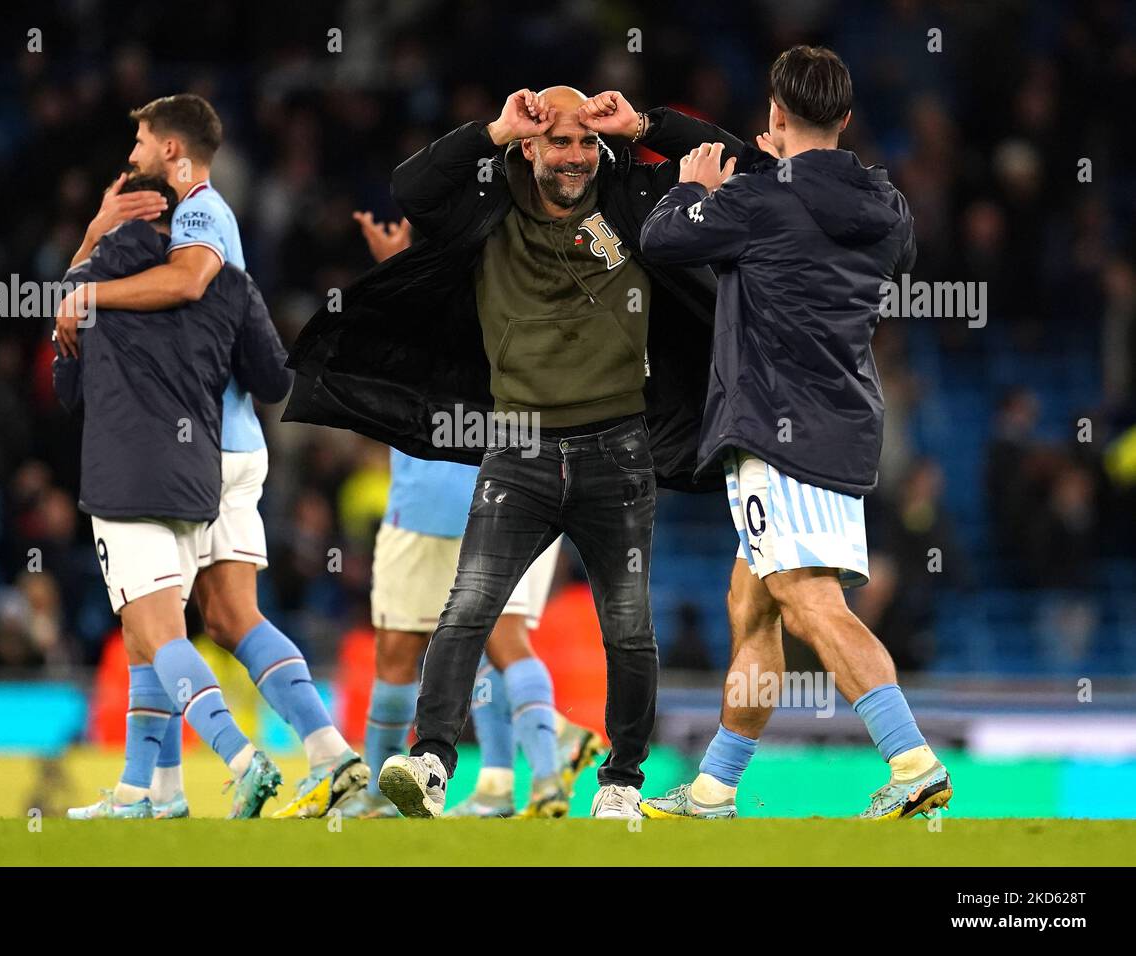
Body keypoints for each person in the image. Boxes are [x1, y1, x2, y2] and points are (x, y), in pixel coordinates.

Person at [287, 86, 756, 818]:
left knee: (628, 628)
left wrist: (647, 126)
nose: (574, 156)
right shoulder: (487, 197)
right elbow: (411, 187)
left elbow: (743, 162)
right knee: (468, 607)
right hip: (518, 448)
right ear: (528, 147)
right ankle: (434, 761)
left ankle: (621, 784)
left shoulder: (631, 192)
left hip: (619, 449)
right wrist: (490, 130)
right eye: (557, 142)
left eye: (584, 143)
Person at [637, 45, 951, 820]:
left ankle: (913, 761)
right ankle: (714, 787)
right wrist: (741, 160)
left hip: (772, 428)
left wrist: (690, 189)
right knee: (753, 600)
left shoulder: (756, 203)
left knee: (807, 599)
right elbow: (817, 198)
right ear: (844, 119)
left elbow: (660, 241)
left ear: (776, 115)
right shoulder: (886, 207)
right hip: (843, 422)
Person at [56, 95, 366, 820]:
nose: (131, 154)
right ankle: (325, 755)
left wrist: (87, 291)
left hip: (199, 446)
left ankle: (209, 768)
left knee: (156, 621)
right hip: (226, 445)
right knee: (226, 617)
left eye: (139, 142)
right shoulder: (185, 228)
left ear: (172, 149)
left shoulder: (203, 212)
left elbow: (190, 280)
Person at [339, 214, 604, 820]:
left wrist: (393, 271)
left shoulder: (439, 305)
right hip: (523, 494)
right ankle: (525, 779)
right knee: (493, 644)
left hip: (440, 501)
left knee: (418, 648)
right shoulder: (534, 300)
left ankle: (390, 793)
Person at [53, 175, 289, 818]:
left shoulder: (97, 289)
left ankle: (242, 758)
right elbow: (271, 375)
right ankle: (149, 789)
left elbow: (65, 388)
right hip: (200, 477)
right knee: (144, 635)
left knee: (157, 632)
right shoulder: (210, 287)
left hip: (126, 479)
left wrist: (89, 244)